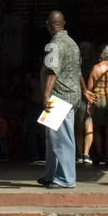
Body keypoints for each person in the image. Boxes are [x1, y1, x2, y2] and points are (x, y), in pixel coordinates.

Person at [38, 10, 82, 189]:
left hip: (59, 96)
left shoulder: (54, 45)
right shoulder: (73, 44)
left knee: (61, 139)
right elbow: (78, 72)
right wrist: (85, 91)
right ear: (64, 23)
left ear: (48, 25)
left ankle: (65, 178)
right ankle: (51, 175)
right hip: (71, 95)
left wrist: (46, 94)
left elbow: (52, 71)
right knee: (53, 138)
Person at [75, 41, 96, 166]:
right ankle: (86, 153)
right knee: (89, 125)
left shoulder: (77, 64)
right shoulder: (94, 64)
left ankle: (80, 153)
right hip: (90, 96)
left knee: (79, 126)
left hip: (80, 96)